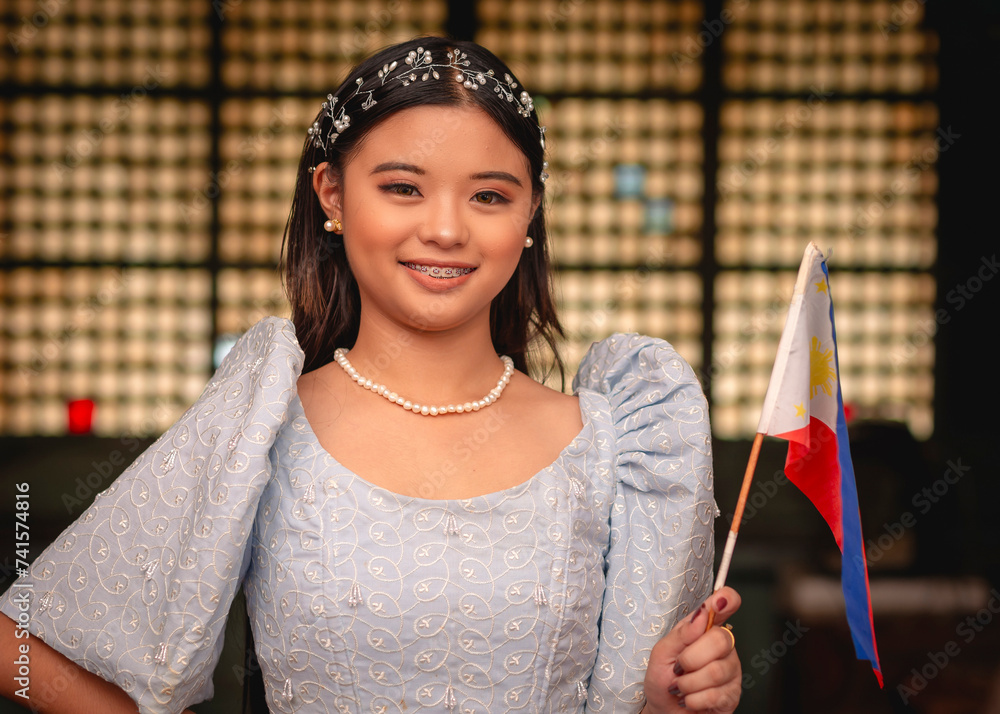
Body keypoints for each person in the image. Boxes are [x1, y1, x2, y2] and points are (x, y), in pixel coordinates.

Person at [0, 36, 742, 713]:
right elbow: (20, 646)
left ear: (530, 213)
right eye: (402, 188)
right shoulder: (265, 423)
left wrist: (673, 700)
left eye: (489, 195)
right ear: (332, 195)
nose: (446, 229)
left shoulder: (615, 441)